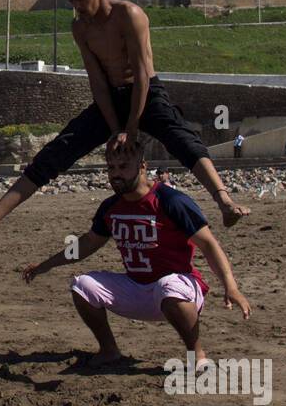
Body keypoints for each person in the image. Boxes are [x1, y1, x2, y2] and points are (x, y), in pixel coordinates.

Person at [0, 0, 248, 243]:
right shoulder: (80, 28)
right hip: (111, 99)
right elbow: (97, 81)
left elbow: (143, 74)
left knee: (183, 139)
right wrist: (115, 127)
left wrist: (131, 128)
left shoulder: (129, 14)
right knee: (58, 151)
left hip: (146, 92)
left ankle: (224, 202)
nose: (75, 3)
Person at [22, 142, 250, 368]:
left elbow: (209, 244)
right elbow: (89, 243)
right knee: (83, 286)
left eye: (123, 167)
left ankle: (197, 354)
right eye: (111, 168)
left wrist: (231, 287)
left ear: (142, 167)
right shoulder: (110, 206)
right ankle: (109, 350)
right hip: (137, 288)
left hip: (181, 289)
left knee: (166, 286)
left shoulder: (171, 201)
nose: (116, 174)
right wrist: (45, 265)